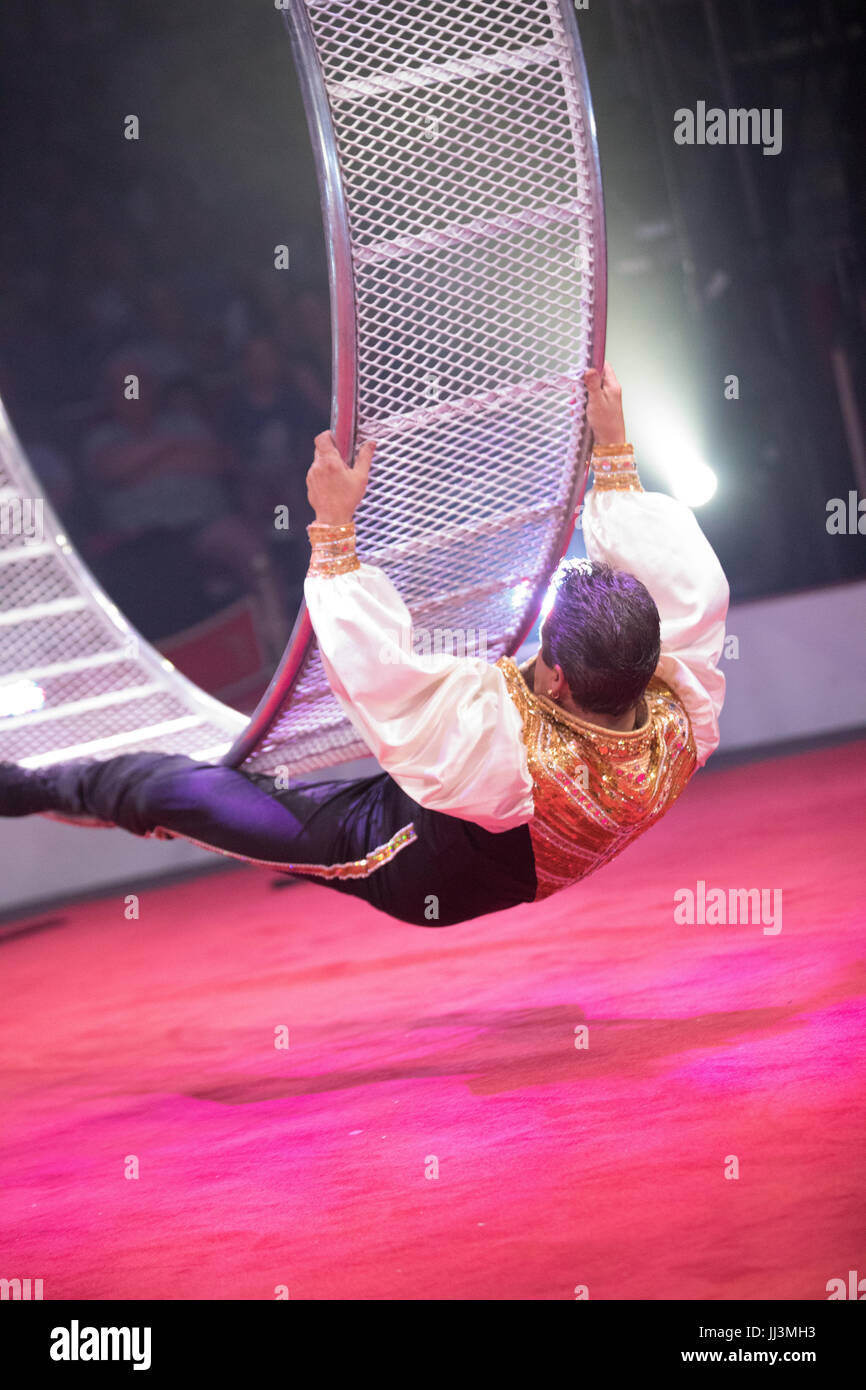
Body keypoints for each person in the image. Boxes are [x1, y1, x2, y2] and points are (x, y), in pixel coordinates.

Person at [0, 365, 729, 927]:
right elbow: (674, 577)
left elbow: (381, 682)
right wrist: (614, 449)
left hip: (419, 860)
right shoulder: (681, 708)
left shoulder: (510, 756)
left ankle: (30, 788)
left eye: (542, 652)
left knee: (176, 793)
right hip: (488, 809)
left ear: (562, 681)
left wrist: (334, 526)